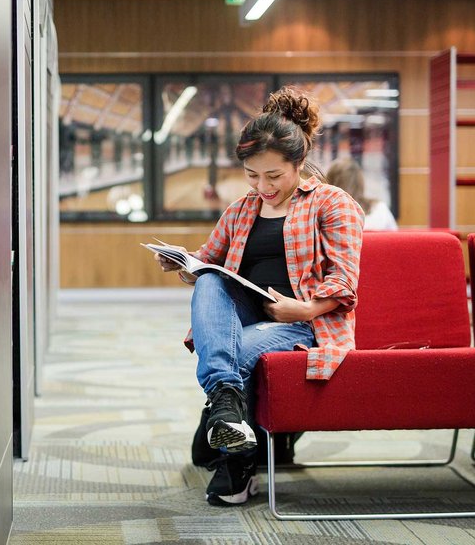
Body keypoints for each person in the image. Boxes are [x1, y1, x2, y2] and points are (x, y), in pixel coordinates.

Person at [153, 87, 364, 507]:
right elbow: (207, 264)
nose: (262, 186)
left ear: (298, 165)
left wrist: (303, 308)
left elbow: (344, 279)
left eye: (274, 176)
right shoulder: (240, 209)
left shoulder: (331, 204)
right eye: (252, 175)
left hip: (303, 323)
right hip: (248, 316)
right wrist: (182, 264)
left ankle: (236, 453)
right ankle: (229, 411)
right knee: (212, 281)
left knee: (237, 357)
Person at [326, 157, 397, 231]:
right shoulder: (379, 208)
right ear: (360, 183)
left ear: (329, 182)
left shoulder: (324, 214)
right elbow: (395, 237)